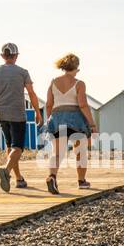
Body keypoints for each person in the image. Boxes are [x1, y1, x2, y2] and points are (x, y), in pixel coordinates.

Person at [0, 43, 43, 192]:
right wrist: (37, 111)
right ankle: (6, 171)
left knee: (10, 146)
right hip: (17, 113)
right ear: (16, 56)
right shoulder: (23, 72)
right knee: (18, 148)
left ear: (3, 56)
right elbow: (32, 93)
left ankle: (19, 179)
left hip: (1, 113)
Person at [43, 53, 96, 191]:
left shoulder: (53, 82)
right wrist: (92, 124)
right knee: (80, 151)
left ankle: (52, 177)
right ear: (76, 67)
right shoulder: (79, 84)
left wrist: (51, 119)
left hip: (57, 118)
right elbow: (83, 105)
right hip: (75, 119)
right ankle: (82, 181)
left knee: (57, 152)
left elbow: (49, 104)